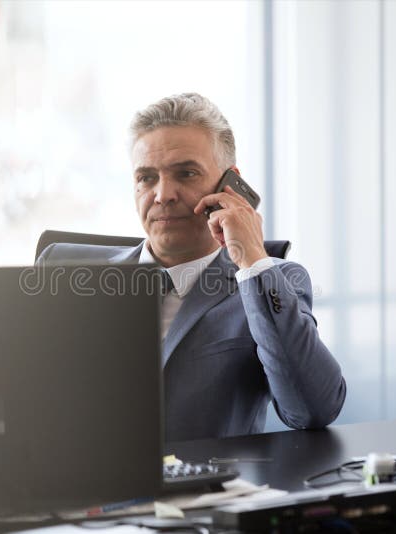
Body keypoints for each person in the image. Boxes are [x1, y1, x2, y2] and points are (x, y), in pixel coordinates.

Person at [38, 93, 346, 441]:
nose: (163, 194)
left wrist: (252, 260)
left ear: (230, 186)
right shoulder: (66, 276)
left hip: (206, 492)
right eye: (146, 177)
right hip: (86, 491)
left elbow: (312, 409)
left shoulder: (273, 281)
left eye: (186, 173)